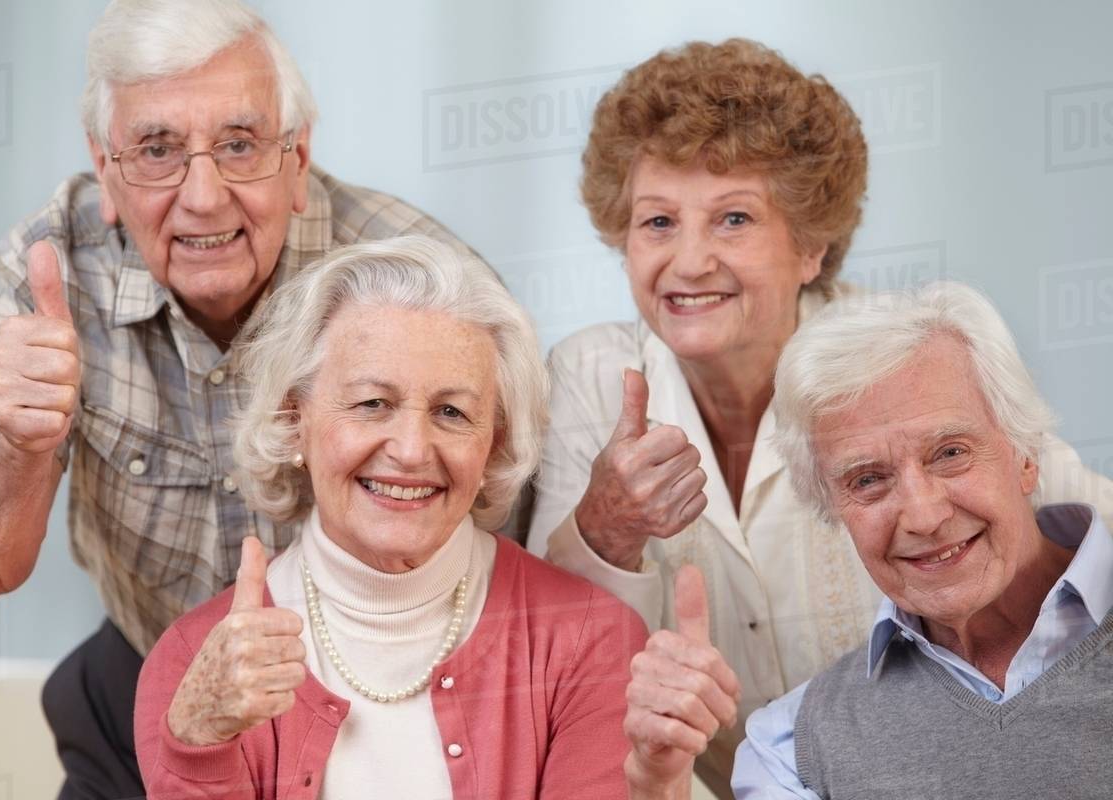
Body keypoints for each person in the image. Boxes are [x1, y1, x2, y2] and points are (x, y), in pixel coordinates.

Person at [525, 38, 1113, 795]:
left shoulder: (902, 361)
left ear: (811, 246)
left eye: (733, 219)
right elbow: (548, 651)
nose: (690, 259)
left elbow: (1063, 503)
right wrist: (607, 526)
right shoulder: (593, 376)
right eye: (658, 223)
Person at [0, 2, 484, 797]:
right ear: (105, 166)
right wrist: (16, 442)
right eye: (156, 149)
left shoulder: (415, 277)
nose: (203, 196)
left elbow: (509, 555)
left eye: (239, 145)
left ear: (299, 155)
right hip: (140, 685)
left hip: (374, 706)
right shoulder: (58, 269)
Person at [133, 235, 650, 799]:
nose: (410, 450)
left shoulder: (590, 641)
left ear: (493, 445)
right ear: (293, 418)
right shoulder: (194, 664)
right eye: (372, 403)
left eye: (452, 413)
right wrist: (199, 744)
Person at [732, 281, 1113, 798]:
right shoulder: (788, 752)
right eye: (867, 480)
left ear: (1025, 454)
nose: (924, 516)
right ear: (834, 509)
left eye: (950, 453)